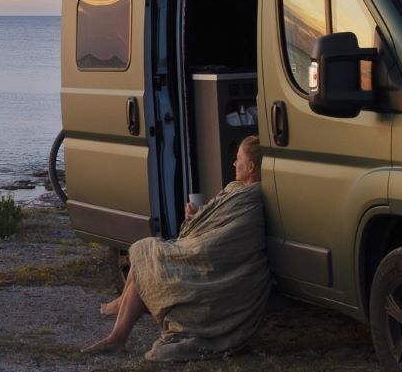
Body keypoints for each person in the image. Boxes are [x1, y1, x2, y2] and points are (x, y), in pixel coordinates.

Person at [82, 135, 270, 360]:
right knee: (147, 251)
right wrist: (194, 217)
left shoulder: (251, 197)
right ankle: (118, 332)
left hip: (210, 264)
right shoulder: (236, 189)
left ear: (250, 166)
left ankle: (118, 330)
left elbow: (223, 240)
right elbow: (210, 224)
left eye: (238, 159)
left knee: (146, 250)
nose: (233, 163)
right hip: (198, 248)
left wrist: (197, 226)